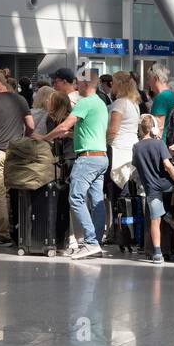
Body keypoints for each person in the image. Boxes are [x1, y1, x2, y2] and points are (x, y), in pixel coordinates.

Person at [35, 70, 108, 259]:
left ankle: (90, 242)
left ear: (84, 84)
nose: (76, 86)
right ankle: (96, 242)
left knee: (76, 198)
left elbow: (64, 125)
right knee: (97, 201)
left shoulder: (84, 103)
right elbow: (83, 130)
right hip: (101, 157)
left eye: (77, 83)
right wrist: (67, 134)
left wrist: (45, 138)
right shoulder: (100, 103)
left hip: (87, 158)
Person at [0, 68, 33, 245]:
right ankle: (19, 230)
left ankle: (3, 234)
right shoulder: (20, 99)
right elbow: (31, 125)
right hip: (16, 152)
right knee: (16, 191)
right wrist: (23, 138)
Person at [132, 114, 174, 263]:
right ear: (153, 128)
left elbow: (137, 166)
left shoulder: (136, 147)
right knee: (173, 212)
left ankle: (157, 252)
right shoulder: (159, 144)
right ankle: (169, 219)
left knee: (154, 220)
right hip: (166, 185)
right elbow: (167, 165)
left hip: (151, 188)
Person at [107, 71, 142, 192]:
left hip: (118, 149)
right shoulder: (134, 103)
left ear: (119, 85)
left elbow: (113, 130)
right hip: (132, 147)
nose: (112, 86)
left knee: (119, 187)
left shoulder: (120, 103)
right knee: (129, 184)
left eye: (113, 83)